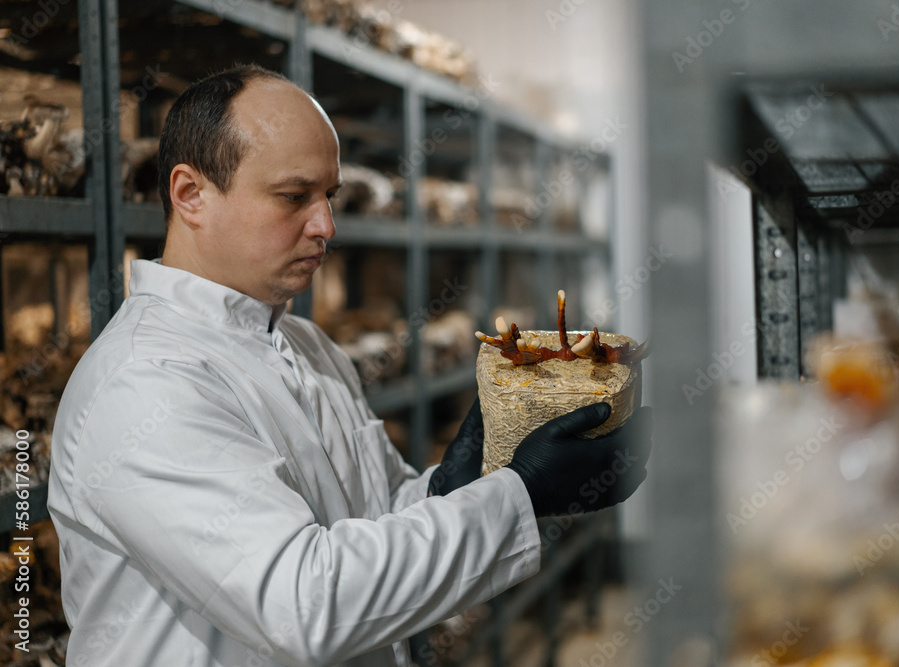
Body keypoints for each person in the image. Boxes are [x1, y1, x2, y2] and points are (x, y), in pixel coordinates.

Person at [48, 64, 652, 666]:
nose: (326, 227)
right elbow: (303, 603)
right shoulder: (145, 382)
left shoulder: (305, 344)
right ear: (191, 195)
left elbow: (372, 521)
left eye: (329, 197)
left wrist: (452, 486)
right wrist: (521, 493)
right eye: (293, 196)